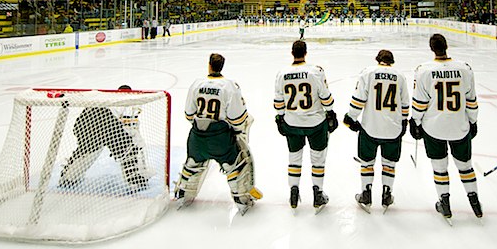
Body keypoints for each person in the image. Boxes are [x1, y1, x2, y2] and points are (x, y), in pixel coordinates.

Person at [174, 53, 260, 214]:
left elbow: (188, 114)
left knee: (192, 164)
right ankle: (241, 198)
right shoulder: (230, 86)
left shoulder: (196, 84)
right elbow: (238, 118)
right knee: (235, 166)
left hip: (197, 138)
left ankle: (182, 192)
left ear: (209, 65)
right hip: (221, 140)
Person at [410, 33, 483, 222]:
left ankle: (444, 202)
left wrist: (415, 121)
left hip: (434, 128)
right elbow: (471, 100)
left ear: (431, 48)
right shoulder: (465, 69)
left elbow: (420, 103)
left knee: (439, 167)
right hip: (460, 126)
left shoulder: (424, 70)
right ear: (446, 46)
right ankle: (474, 201)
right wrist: (473, 121)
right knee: (465, 166)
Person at [342, 49, 410, 212]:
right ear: (391, 61)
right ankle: (387, 193)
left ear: (377, 60)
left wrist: (350, 118)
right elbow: (405, 103)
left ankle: (366, 193)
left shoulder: (368, 73)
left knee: (367, 162)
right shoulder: (400, 76)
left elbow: (359, 99)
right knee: (389, 163)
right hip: (393, 129)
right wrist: (404, 122)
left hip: (370, 128)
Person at [274, 39, 336, 212]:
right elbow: (325, 97)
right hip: (315, 122)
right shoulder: (315, 71)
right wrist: (331, 112)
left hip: (292, 122)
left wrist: (280, 117)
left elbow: (278, 101)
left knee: (294, 158)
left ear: (292, 53)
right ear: (305, 53)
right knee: (318, 159)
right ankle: (318, 193)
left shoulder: (282, 73)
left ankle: (293, 191)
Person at [58, 85, 152, 190]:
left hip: (90, 124)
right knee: (127, 149)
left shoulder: (121, 105)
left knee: (92, 151)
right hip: (93, 125)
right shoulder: (117, 106)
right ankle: (135, 179)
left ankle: (69, 177)